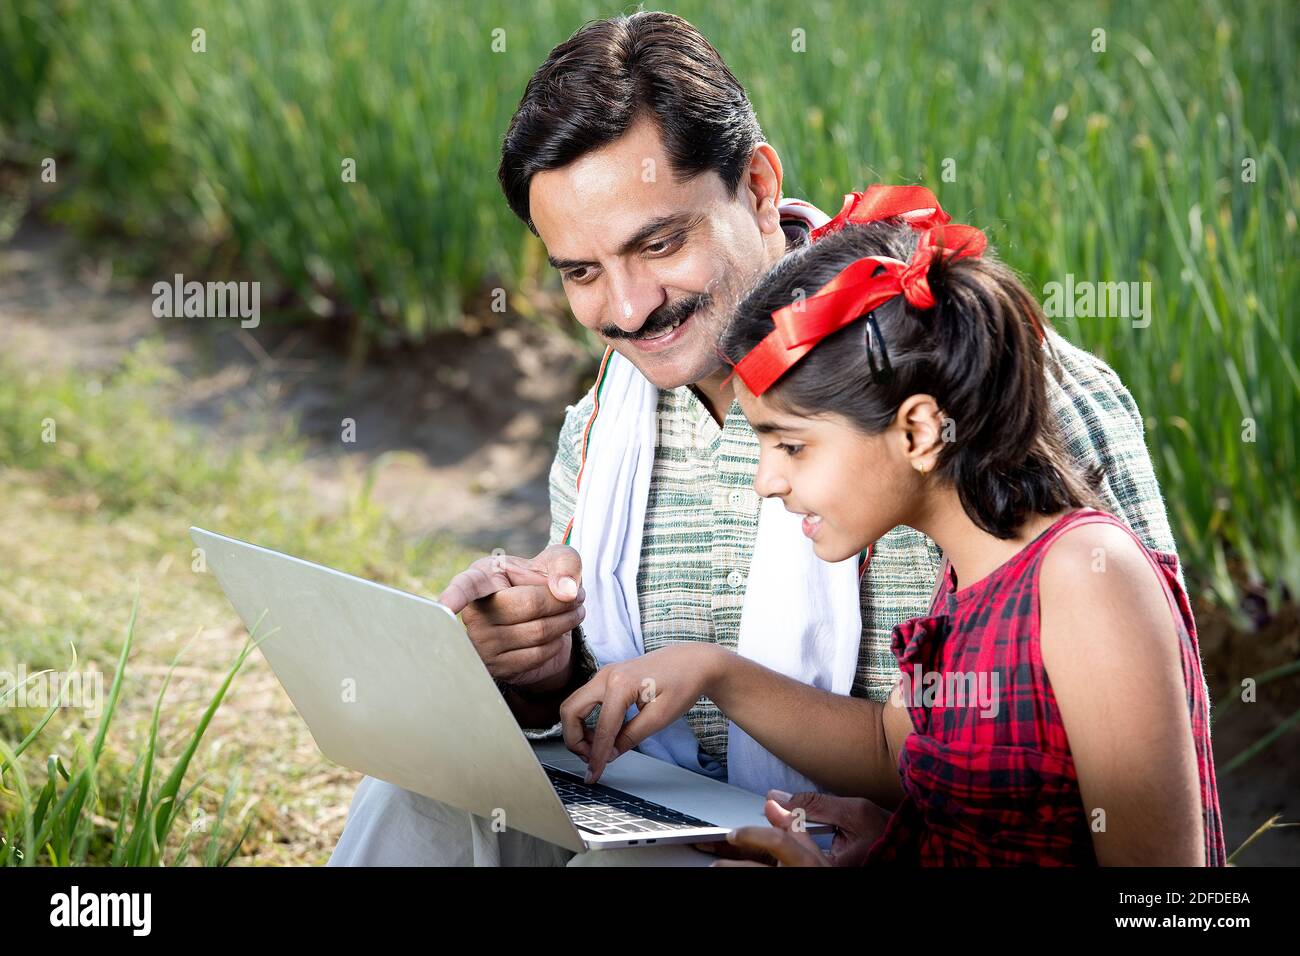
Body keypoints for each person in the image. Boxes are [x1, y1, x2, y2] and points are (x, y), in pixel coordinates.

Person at [328, 11, 1179, 867]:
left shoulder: (1003, 387)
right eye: (582, 273)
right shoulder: (604, 421)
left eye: (658, 244)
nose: (625, 311)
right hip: (674, 822)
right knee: (421, 787)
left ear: (760, 188)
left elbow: (1136, 770)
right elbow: (609, 696)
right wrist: (534, 664)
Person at [700, 217, 1225, 865]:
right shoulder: (964, 584)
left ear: (918, 432)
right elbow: (906, 762)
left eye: (791, 446)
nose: (765, 482)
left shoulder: (1083, 581)